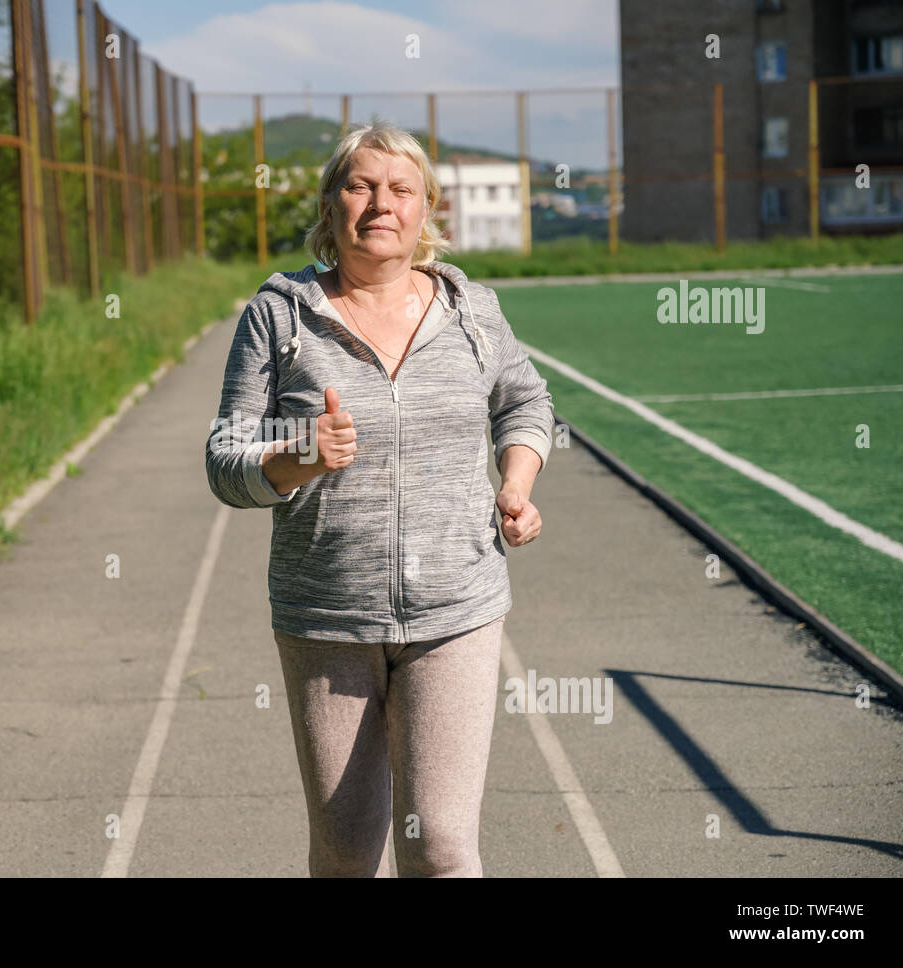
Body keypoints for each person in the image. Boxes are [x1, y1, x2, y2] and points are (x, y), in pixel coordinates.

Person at [205, 120, 554, 877]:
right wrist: (299, 455)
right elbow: (224, 459)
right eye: (359, 186)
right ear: (331, 206)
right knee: (345, 850)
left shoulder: (472, 311)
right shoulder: (280, 315)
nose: (379, 204)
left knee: (442, 846)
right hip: (327, 615)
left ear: (427, 208)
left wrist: (516, 485)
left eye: (400, 189)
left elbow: (526, 404)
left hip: (456, 608)